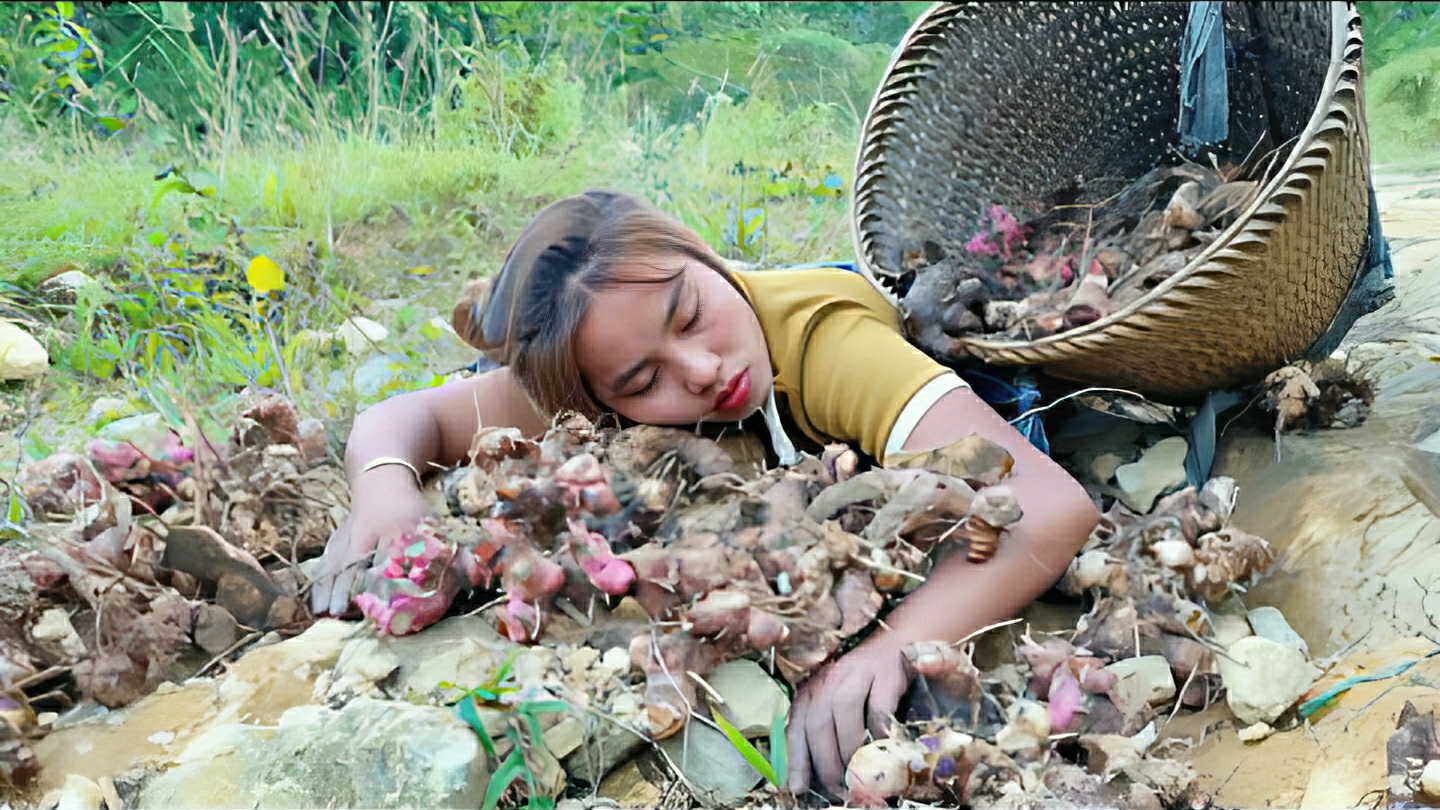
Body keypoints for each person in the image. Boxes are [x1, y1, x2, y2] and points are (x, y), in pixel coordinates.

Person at [308, 189, 1099, 796]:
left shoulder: (829, 346)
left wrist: (893, 647)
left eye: (689, 313)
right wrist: (386, 493)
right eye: (644, 380)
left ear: (702, 256)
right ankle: (501, 322)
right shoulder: (595, 357)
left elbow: (1052, 505)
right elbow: (397, 418)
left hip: (864, 337)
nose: (702, 370)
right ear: (600, 397)